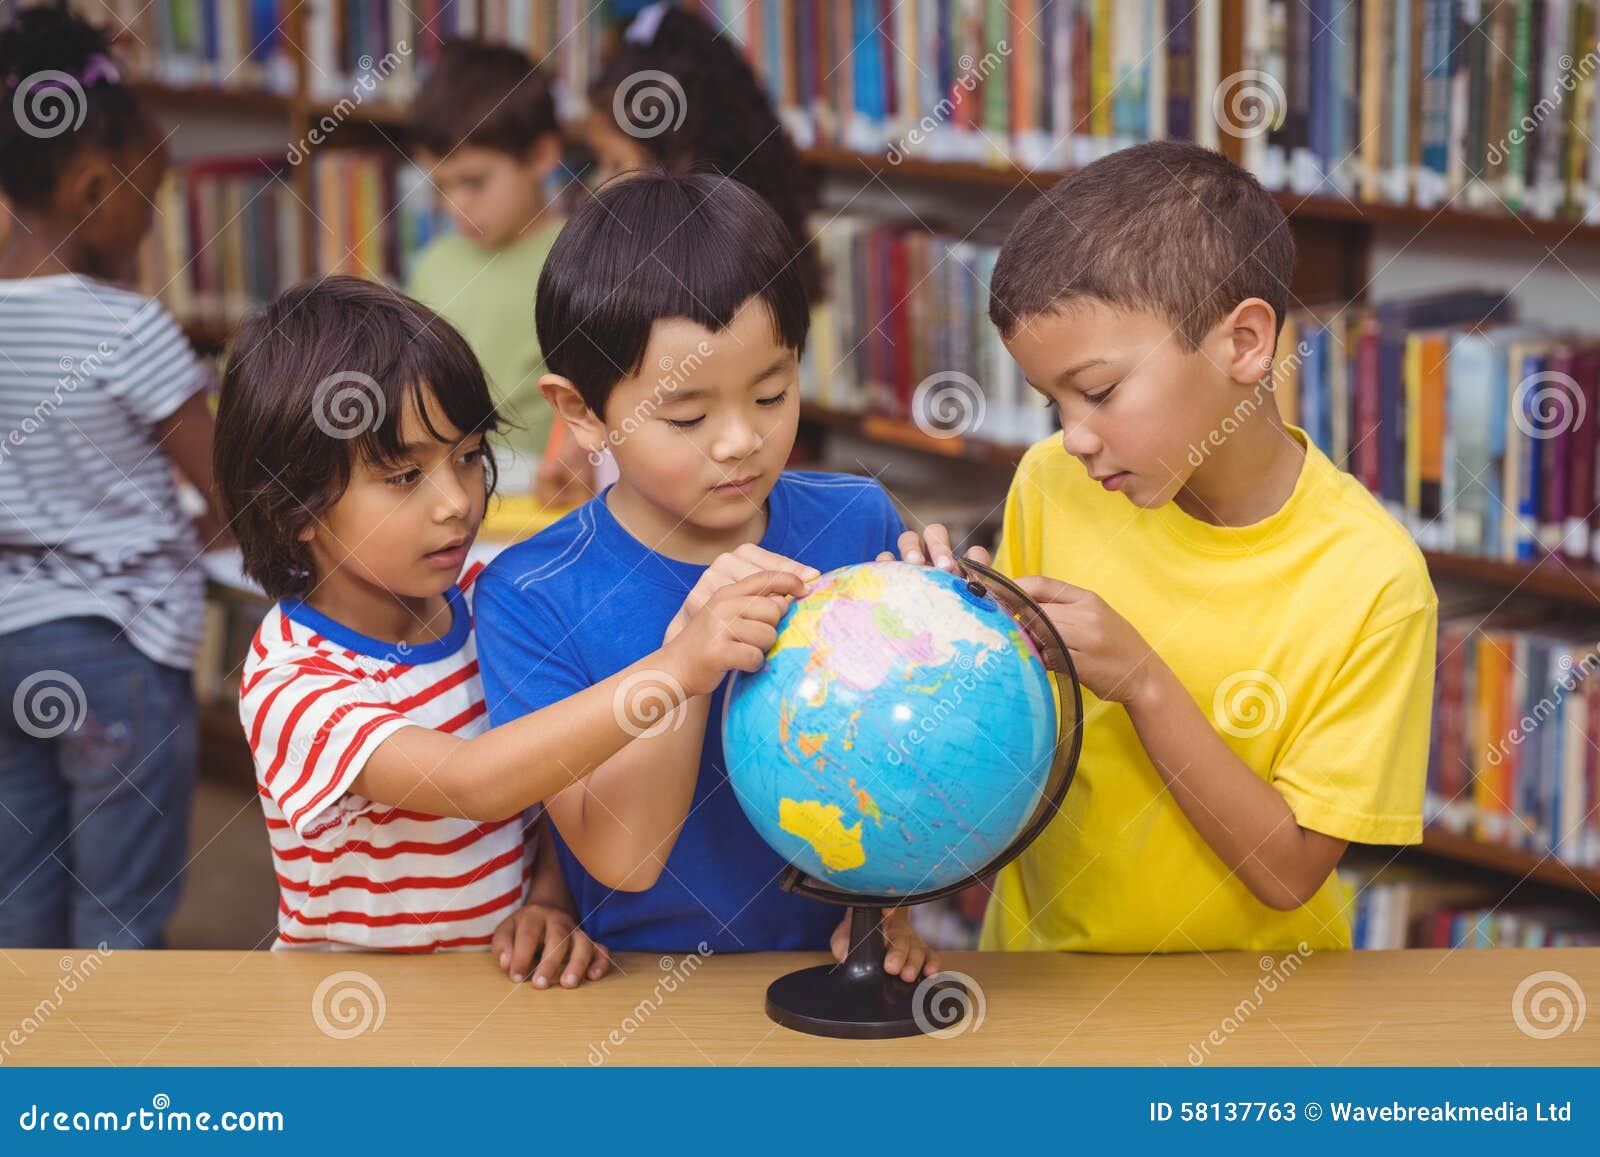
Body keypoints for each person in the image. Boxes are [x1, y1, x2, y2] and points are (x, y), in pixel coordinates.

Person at [908, 141, 1437, 953]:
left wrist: (1145, 683)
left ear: (1246, 343)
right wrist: (931, 634)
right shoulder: (1052, 481)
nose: (1074, 436)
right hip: (1037, 978)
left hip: (1257, 1004)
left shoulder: (1374, 580)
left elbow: (1290, 872)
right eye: (1053, 403)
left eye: (1099, 391)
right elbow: (1008, 745)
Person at [213, 275, 802, 981]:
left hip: (504, 994)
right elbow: (473, 782)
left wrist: (549, 899)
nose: (456, 503)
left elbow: (553, 774)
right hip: (359, 1001)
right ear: (291, 510)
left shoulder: (489, 602)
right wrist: (677, 669)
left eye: (467, 457)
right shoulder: (295, 684)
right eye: (403, 476)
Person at [474, 172, 940, 982]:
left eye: (773, 393)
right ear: (581, 412)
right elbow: (622, 858)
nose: (739, 442)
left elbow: (909, 771)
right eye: (687, 416)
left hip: (831, 978)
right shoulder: (530, 592)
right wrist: (684, 668)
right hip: (632, 988)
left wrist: (969, 628)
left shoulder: (858, 522)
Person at [0, 7, 223, 948]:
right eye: (152, 193)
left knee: (19, 898)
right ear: (94, 187)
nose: (155, 219)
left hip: (9, 643)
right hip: (117, 654)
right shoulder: (129, 328)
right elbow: (228, 490)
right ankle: (112, 1047)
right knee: (118, 913)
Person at [406, 38, 592, 504]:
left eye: (474, 182)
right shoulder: (432, 266)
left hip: (548, 496)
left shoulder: (583, 258)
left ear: (541, 156)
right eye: (441, 187)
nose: (456, 205)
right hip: (446, 490)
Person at [585, 2, 822, 303]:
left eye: (616, 164)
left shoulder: (724, 284)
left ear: (683, 166)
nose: (599, 186)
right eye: (600, 163)